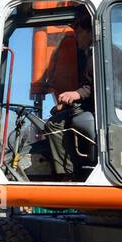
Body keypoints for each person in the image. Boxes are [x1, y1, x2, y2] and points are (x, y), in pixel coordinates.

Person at [46, 20, 97, 176]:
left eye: (79, 33)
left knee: (54, 125)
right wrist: (68, 103)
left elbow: (100, 85)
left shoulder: (100, 55)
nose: (76, 37)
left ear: (90, 32)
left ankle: (67, 173)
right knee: (58, 114)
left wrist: (77, 94)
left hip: (99, 109)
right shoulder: (91, 55)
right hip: (92, 104)